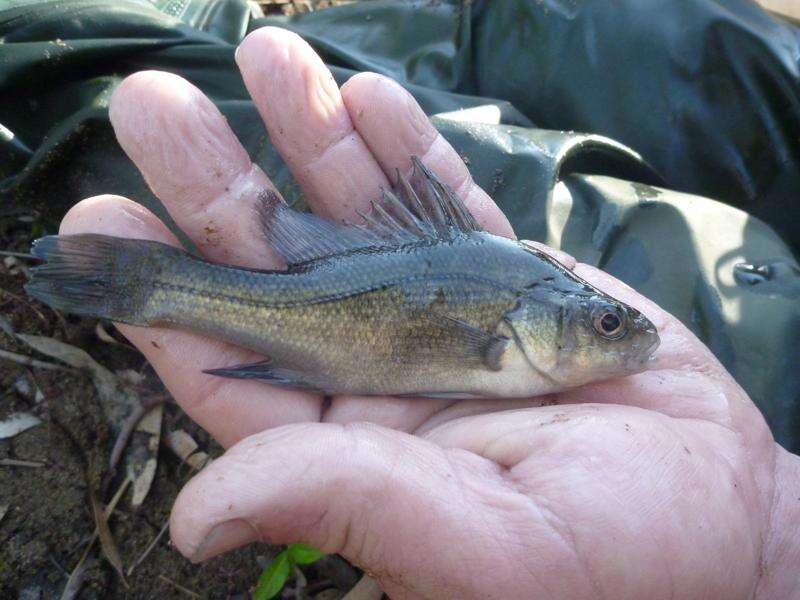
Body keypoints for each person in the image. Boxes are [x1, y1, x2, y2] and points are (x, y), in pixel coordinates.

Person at [58, 27, 799, 599]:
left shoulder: (531, 336)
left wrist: (764, 542)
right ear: (533, 317)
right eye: (606, 324)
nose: (627, 335)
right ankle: (153, 285)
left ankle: (156, 285)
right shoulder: (507, 325)